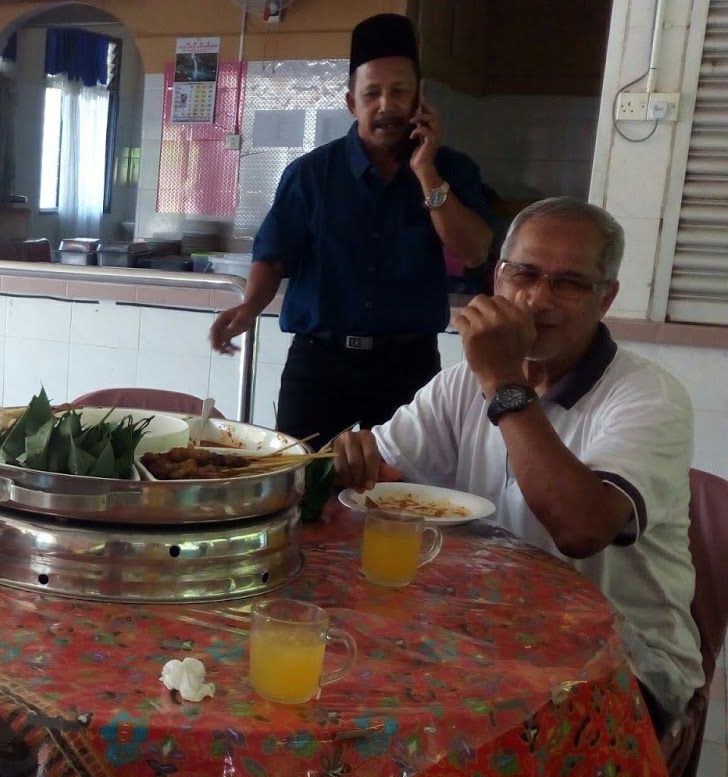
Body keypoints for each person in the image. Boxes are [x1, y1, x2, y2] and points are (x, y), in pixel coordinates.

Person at [334, 198, 702, 735]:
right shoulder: (462, 382)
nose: (537, 299)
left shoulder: (648, 397)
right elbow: (383, 471)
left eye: (569, 283)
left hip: (627, 660)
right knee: (349, 683)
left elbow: (580, 529)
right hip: (485, 630)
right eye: (523, 274)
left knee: (452, 743)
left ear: (605, 298)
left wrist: (504, 380)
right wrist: (354, 458)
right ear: (497, 279)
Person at [210, 13, 496, 447]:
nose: (386, 105)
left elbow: (474, 251)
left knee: (404, 481)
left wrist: (426, 172)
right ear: (351, 102)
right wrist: (250, 306)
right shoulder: (310, 174)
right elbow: (273, 255)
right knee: (302, 476)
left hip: (408, 366)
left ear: (419, 97)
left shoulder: (452, 171)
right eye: (372, 93)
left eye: (399, 91)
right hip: (319, 365)